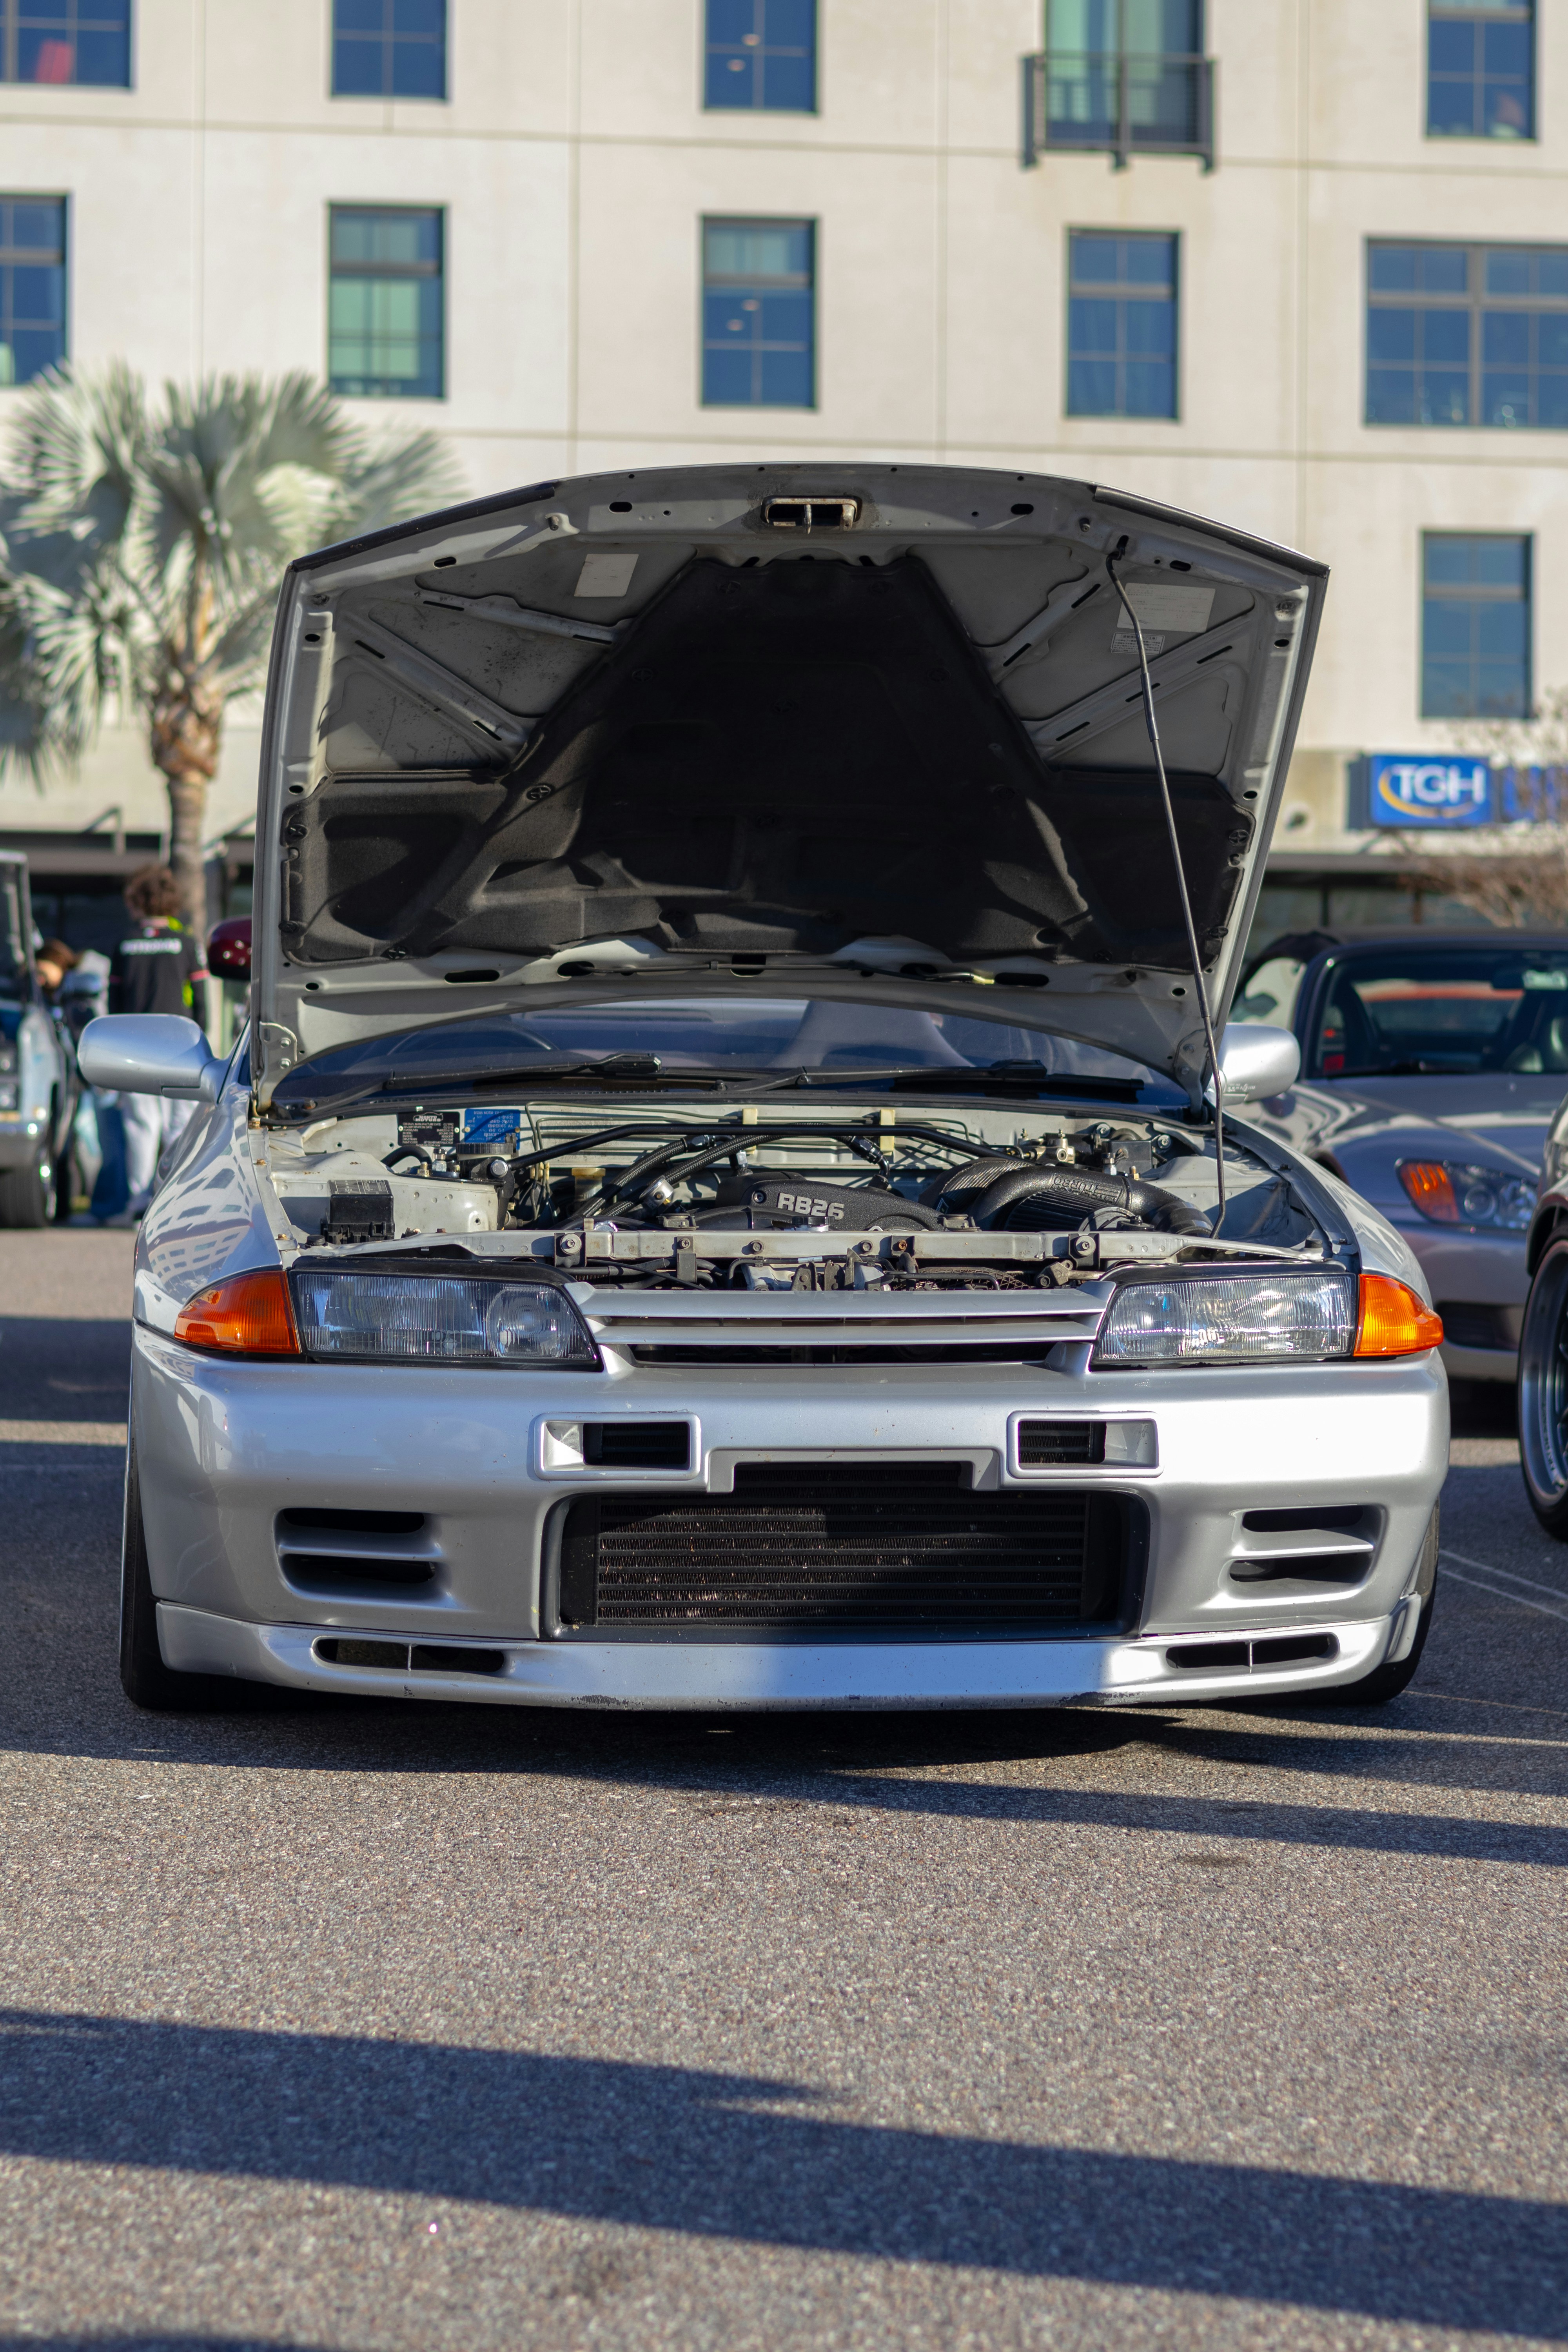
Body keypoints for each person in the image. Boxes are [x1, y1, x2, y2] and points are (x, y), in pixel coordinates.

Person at [107, 866, 209, 1222]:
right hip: (179, 1046)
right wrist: (202, 1041)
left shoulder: (124, 943)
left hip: (134, 1046)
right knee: (179, 1124)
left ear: (138, 902)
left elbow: (114, 1004)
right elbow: (200, 1000)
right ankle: (174, 1200)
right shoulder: (186, 943)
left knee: (141, 1124)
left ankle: (139, 1203)